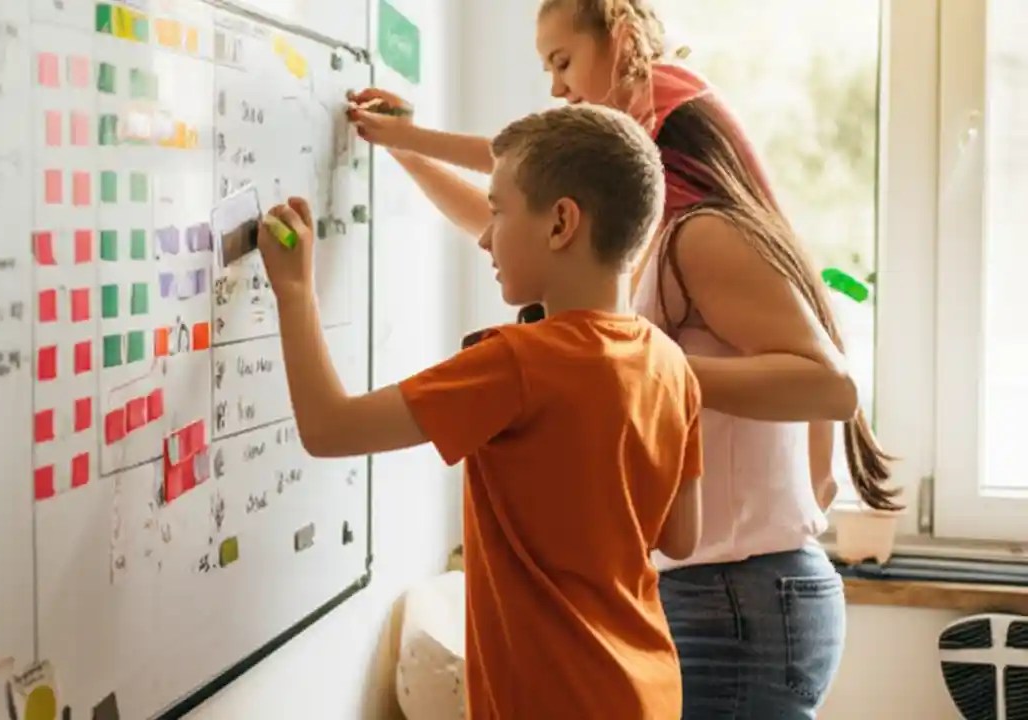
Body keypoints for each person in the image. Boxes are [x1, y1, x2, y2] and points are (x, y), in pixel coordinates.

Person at [346, 1, 901, 717]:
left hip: (738, 598)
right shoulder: (650, 246)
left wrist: (635, 370)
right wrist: (404, 145)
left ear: (629, 50)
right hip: (717, 588)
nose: (555, 88)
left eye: (563, 62)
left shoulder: (703, 237)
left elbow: (833, 388)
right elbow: (511, 211)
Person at [257, 104, 703, 719]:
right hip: (645, 688)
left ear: (561, 223)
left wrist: (295, 292)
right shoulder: (670, 363)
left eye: (498, 210)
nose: (488, 235)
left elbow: (329, 427)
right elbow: (681, 537)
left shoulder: (519, 362)